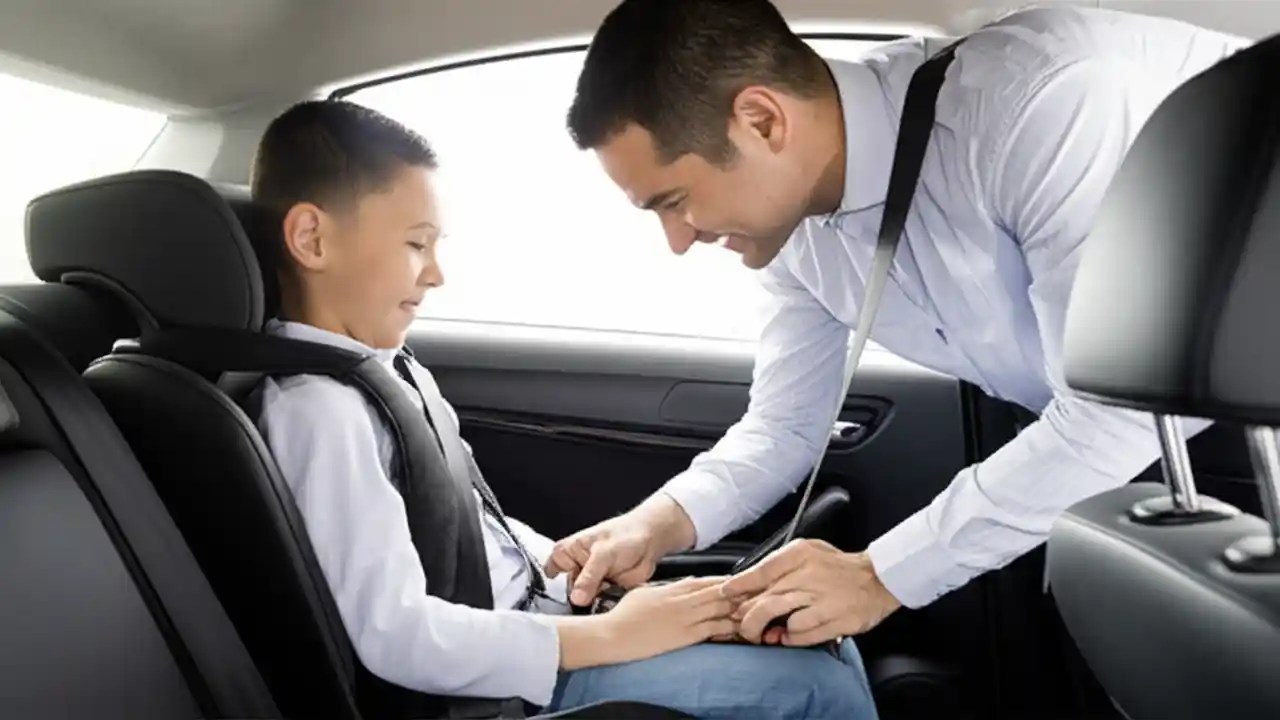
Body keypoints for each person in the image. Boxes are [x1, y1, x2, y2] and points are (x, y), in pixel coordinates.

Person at [548, 0, 1250, 647]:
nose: (678, 240)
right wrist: (655, 525)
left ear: (762, 121)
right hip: (1148, 448)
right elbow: (787, 427)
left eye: (674, 201)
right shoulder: (794, 230)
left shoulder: (1045, 104)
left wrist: (880, 574)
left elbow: (1121, 409)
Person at [248, 98, 878, 719]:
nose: (436, 273)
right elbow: (395, 633)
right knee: (822, 691)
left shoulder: (384, 373)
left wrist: (565, 570)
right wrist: (613, 636)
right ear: (311, 238)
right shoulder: (316, 411)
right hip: (513, 683)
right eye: (417, 244)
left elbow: (467, 533)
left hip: (549, 621)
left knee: (821, 634)